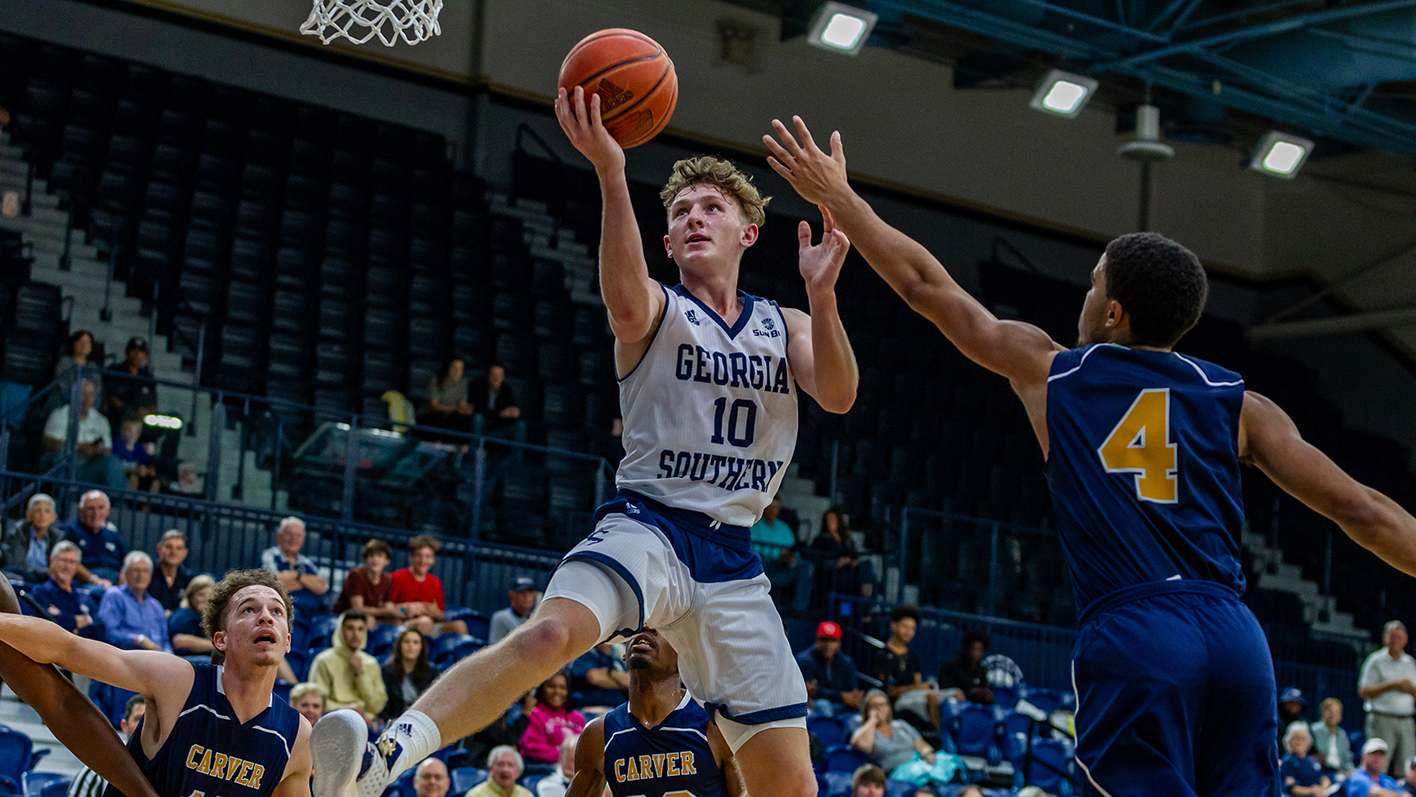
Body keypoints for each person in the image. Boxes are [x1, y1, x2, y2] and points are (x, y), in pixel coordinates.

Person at [766, 114, 1416, 794]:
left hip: (1136, 631)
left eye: (1093, 282)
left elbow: (928, 288)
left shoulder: (1056, 373)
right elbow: (1360, 507)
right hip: (1237, 638)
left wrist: (842, 199)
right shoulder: (1240, 403)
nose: (1086, 292)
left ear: (1113, 312)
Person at [312, 87, 857, 797]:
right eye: (681, 212)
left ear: (749, 232)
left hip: (734, 558)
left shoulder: (785, 323)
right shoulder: (660, 308)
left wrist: (823, 294)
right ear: (665, 241)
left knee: (793, 785)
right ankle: (378, 761)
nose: (694, 217)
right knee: (548, 636)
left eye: (711, 208)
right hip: (651, 527)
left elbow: (840, 393)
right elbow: (625, 299)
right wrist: (609, 171)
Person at [0, 568, 311, 797]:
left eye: (276, 612)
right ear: (221, 639)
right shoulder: (179, 681)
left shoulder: (296, 736)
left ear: (287, 642)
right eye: (249, 609)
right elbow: (67, 648)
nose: (265, 617)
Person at [562, 628, 743, 797]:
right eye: (641, 624)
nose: (647, 628)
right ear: (624, 655)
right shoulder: (598, 735)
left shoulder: (716, 724)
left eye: (662, 627)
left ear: (684, 657)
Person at [42, 380, 128, 490]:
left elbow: (107, 450)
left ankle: (119, 504)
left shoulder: (101, 420)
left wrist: (95, 450)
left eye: (91, 394)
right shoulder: (60, 414)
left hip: (90, 467)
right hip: (67, 463)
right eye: (84, 393)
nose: (88, 398)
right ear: (74, 395)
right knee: (62, 453)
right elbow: (49, 442)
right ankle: (64, 499)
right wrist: (78, 448)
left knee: (113, 461)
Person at [309, 611, 387, 728]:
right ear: (341, 631)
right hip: (333, 721)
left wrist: (361, 675)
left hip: (367, 724)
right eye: (350, 628)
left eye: (360, 629)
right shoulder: (323, 660)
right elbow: (316, 702)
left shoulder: (371, 663)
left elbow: (377, 706)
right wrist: (348, 711)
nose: (356, 634)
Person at [1362, 621, 1416, 776]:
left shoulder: (1411, 663)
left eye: (1399, 637)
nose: (1395, 640)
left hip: (1406, 719)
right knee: (1377, 765)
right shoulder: (1375, 660)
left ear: (1405, 640)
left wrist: (1410, 689)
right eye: (1392, 636)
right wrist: (1391, 685)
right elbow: (1363, 691)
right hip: (1382, 718)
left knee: (1407, 766)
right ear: (1385, 638)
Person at [873, 606, 940, 729]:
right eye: (905, 627)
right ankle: (938, 738)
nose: (909, 632)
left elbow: (918, 686)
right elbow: (888, 691)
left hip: (915, 699)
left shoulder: (913, 656)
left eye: (913, 628)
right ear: (893, 626)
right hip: (896, 702)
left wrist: (920, 687)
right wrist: (913, 688)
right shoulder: (883, 655)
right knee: (931, 697)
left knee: (954, 696)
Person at [68, 695, 146, 797]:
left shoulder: (165, 769)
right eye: (138, 719)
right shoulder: (95, 770)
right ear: (124, 725)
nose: (144, 726)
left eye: (150, 722)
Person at [388, 536, 466, 637]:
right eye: (419, 556)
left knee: (460, 625)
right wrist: (407, 609)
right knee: (425, 622)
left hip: (431, 625)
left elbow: (441, 614)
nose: (423, 560)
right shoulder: (397, 577)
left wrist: (434, 612)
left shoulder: (435, 582)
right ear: (410, 556)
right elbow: (387, 608)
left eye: (428, 556)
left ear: (433, 560)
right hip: (403, 626)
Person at [850, 689, 937, 777]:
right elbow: (865, 747)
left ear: (888, 707)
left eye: (883, 705)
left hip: (919, 765)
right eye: (875, 706)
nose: (880, 709)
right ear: (868, 709)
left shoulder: (901, 725)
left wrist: (927, 754)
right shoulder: (863, 731)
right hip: (893, 774)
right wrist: (872, 720)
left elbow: (922, 746)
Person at [97, 552, 171, 653]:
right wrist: (138, 639)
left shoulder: (156, 605)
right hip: (128, 658)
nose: (141, 575)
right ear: (125, 573)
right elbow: (108, 633)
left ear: (150, 575)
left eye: (145, 571)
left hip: (157, 660)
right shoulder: (114, 595)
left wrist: (170, 656)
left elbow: (165, 641)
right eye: (136, 570)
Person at [32, 542, 101, 638]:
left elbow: (98, 627)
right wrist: (80, 621)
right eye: (63, 560)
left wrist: (62, 616)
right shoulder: (41, 591)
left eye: (72, 562)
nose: (67, 566)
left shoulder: (83, 593)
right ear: (52, 561)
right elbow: (49, 624)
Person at [262, 517, 329, 617]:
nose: (293, 539)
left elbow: (322, 586)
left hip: (313, 613)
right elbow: (272, 584)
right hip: (285, 612)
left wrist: (297, 576)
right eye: (289, 534)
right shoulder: (270, 556)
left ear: (302, 540)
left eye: (298, 535)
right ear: (279, 536)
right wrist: (306, 583)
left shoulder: (306, 562)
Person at [56, 490, 124, 584]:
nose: (96, 513)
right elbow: (71, 563)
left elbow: (126, 562)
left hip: (114, 582)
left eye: (101, 508)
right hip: (86, 583)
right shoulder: (71, 532)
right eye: (90, 508)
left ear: (107, 511)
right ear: (80, 511)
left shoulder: (112, 534)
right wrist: (94, 580)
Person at [753, 496, 809, 612]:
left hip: (783, 567)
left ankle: (798, 610)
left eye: (777, 507)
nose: (773, 510)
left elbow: (792, 550)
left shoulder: (784, 528)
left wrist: (791, 559)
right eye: (770, 507)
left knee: (807, 567)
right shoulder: (755, 525)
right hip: (764, 566)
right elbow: (752, 550)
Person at [795, 620, 862, 716]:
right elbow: (813, 692)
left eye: (833, 640)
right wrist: (841, 696)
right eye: (824, 640)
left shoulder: (846, 661)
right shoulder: (805, 659)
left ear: (839, 643)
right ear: (817, 640)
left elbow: (852, 690)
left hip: (841, 705)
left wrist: (854, 698)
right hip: (815, 706)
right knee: (824, 705)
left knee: (858, 713)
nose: (828, 645)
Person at [520, 671, 586, 766]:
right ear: (543, 689)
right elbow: (532, 748)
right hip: (546, 769)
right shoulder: (535, 714)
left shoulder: (576, 717)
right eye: (551, 686)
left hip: (577, 767)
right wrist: (568, 756)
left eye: (562, 688)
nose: (557, 691)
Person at [1, 493, 68, 584]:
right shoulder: (17, 533)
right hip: (21, 580)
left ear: (53, 517)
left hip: (47, 584)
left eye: (47, 511)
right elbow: (15, 564)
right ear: (28, 514)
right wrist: (41, 573)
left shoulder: (58, 538)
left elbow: (59, 569)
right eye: (37, 510)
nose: (42, 515)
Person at [333, 540, 401, 624]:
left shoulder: (388, 579)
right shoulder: (356, 575)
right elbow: (357, 609)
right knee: (369, 620)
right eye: (371, 556)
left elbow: (388, 607)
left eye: (380, 556)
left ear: (387, 561)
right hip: (347, 617)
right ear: (366, 558)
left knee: (396, 622)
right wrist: (386, 610)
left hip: (374, 618)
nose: (375, 560)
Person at [810, 508, 867, 605]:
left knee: (865, 568)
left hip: (849, 571)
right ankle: (845, 613)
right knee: (846, 581)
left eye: (833, 519)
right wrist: (837, 563)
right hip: (831, 573)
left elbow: (854, 556)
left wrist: (850, 561)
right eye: (828, 520)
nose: (830, 523)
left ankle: (864, 608)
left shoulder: (847, 541)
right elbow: (818, 559)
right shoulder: (821, 540)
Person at [382, 627, 439, 720]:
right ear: (399, 645)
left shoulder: (432, 671)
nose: (411, 646)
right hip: (395, 721)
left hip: (422, 721)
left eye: (415, 642)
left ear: (421, 647)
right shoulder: (387, 671)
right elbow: (384, 705)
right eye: (407, 642)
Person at [103, 337, 158, 429]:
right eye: (134, 350)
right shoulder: (114, 370)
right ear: (127, 351)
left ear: (145, 355)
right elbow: (112, 399)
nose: (137, 354)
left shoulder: (148, 377)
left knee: (174, 421)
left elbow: (154, 405)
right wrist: (132, 413)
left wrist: (144, 412)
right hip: (120, 417)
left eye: (141, 351)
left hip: (143, 420)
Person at [421, 357, 474, 441]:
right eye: (454, 368)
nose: (457, 372)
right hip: (430, 416)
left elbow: (462, 404)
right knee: (438, 415)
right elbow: (434, 406)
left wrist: (466, 409)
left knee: (466, 418)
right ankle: (436, 444)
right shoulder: (436, 381)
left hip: (449, 418)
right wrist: (455, 409)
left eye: (460, 369)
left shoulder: (462, 383)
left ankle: (463, 447)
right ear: (448, 368)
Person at [568, 643, 629, 712]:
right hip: (589, 708)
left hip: (617, 709)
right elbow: (593, 677)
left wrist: (609, 674)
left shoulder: (618, 654)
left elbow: (632, 681)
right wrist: (620, 681)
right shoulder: (584, 653)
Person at [937, 630, 992, 705]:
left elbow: (985, 689)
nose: (977, 653)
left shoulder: (981, 670)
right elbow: (945, 691)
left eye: (980, 650)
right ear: (966, 649)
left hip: (973, 708)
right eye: (974, 649)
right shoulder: (950, 667)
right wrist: (969, 693)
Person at [169, 575, 216, 660]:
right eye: (201, 595)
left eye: (209, 595)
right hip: (187, 659)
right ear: (191, 597)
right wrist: (215, 645)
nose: (206, 599)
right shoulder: (183, 614)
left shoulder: (214, 617)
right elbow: (179, 641)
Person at [148, 530, 194, 613]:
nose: (173, 552)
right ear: (159, 548)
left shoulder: (189, 578)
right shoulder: (147, 572)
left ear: (185, 553)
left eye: (179, 548)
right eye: (169, 547)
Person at [1280, 721, 1331, 797]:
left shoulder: (1313, 761)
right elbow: (1291, 788)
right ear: (1289, 742)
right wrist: (1312, 791)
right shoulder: (1288, 761)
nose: (1299, 742)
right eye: (1295, 739)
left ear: (1308, 742)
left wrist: (1321, 789)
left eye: (1302, 739)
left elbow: (1324, 779)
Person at [113, 414, 160, 494]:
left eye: (131, 430)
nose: (127, 433)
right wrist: (135, 471)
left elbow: (143, 465)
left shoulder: (140, 449)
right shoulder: (117, 446)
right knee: (133, 479)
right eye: (125, 429)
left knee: (155, 483)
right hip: (122, 478)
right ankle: (128, 504)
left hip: (139, 479)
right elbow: (115, 468)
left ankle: (146, 506)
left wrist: (148, 471)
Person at [467, 746, 533, 797]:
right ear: (491, 768)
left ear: (519, 771)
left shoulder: (526, 795)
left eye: (510, 765)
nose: (505, 769)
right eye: (500, 764)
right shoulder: (476, 795)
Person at [1313, 697, 1356, 774]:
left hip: (1340, 772)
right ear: (1322, 712)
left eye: (1336, 712)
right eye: (1329, 711)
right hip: (1320, 771)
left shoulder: (1342, 734)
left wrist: (1351, 773)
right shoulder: (1315, 730)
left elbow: (1347, 759)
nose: (1333, 715)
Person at [488, 577, 537, 644]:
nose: (526, 596)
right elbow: (494, 648)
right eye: (522, 592)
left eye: (530, 592)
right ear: (512, 594)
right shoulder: (501, 618)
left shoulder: (537, 618)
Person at [56, 329, 100, 400]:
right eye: (80, 342)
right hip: (67, 400)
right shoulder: (65, 361)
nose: (84, 345)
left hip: (88, 404)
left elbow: (97, 388)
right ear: (74, 344)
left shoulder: (93, 366)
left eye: (87, 342)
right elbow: (62, 385)